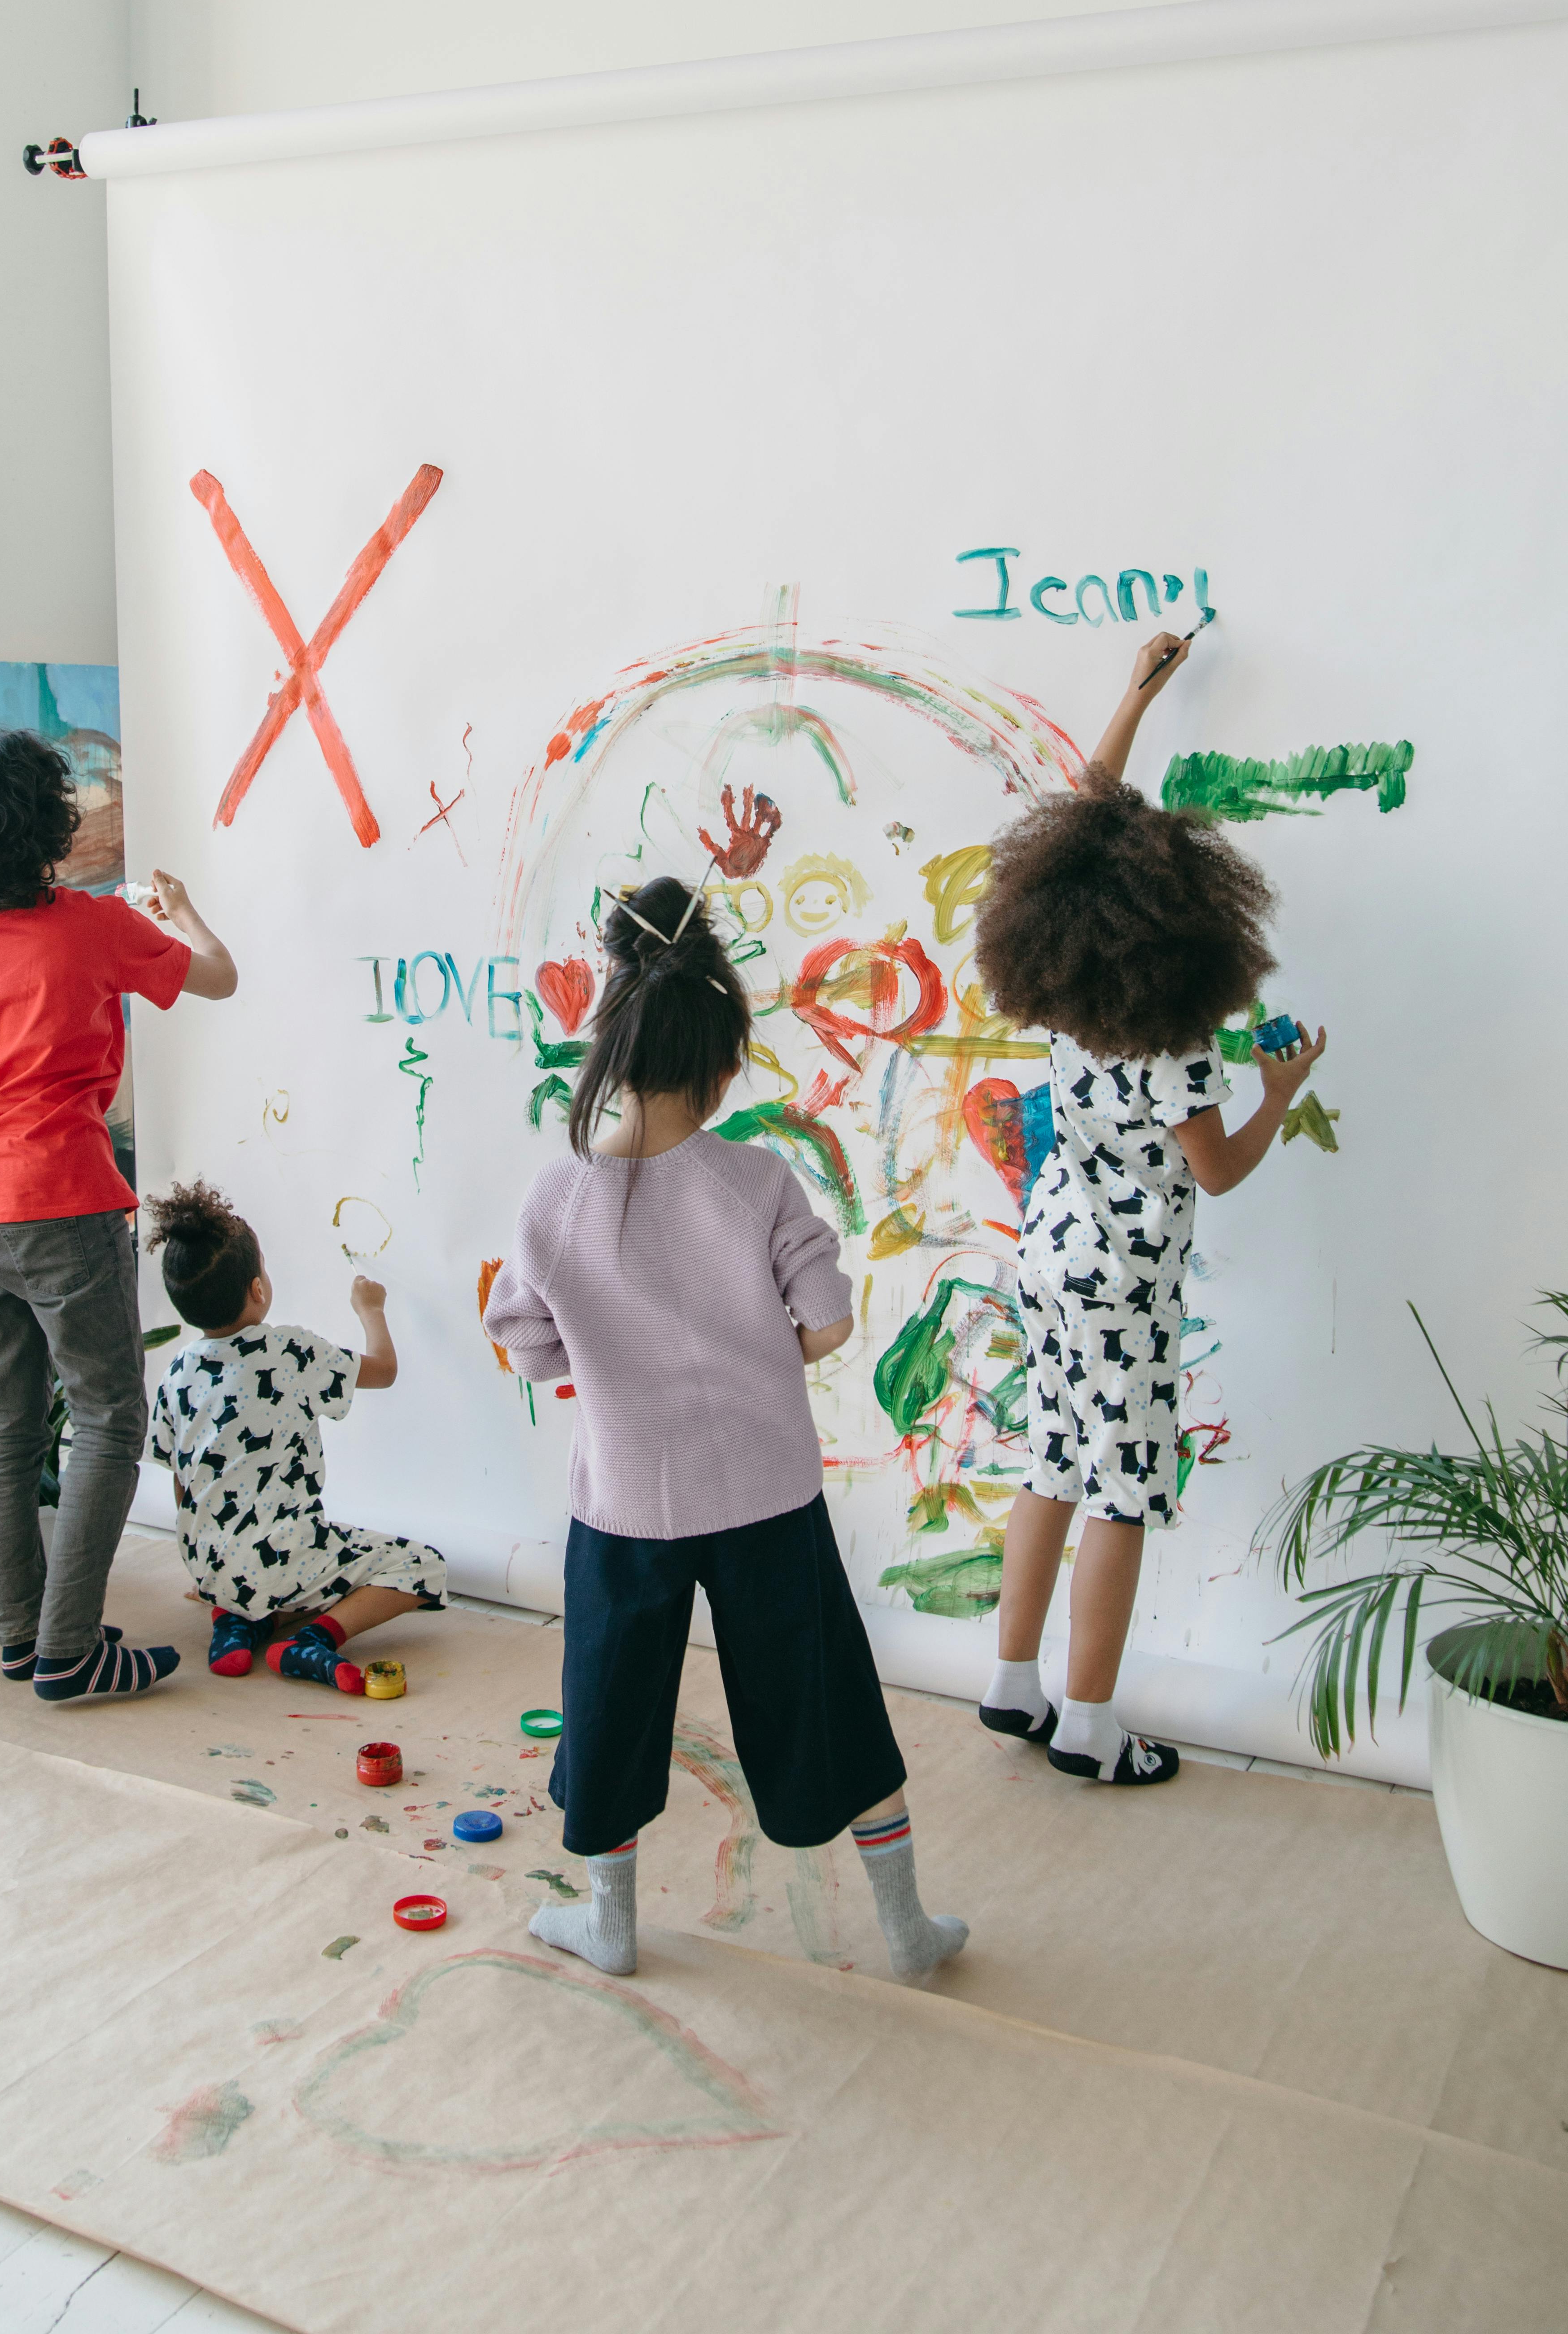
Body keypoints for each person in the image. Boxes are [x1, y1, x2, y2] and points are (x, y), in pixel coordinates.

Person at [481, 873, 967, 1986]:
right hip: (765, 1493)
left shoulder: (554, 1200)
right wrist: (757, 1354)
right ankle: (904, 1931)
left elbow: (530, 1346)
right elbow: (831, 1325)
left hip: (627, 1502)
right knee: (830, 1705)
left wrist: (608, 1362)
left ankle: (608, 1925)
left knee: (607, 1711)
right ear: (718, 1062)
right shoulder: (757, 1181)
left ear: (613, 1045)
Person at [972, 631, 1328, 1787]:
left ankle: (1010, 1685)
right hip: (1125, 1287)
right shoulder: (1175, 1041)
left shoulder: (1065, 990)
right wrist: (1277, 1095)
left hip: (1048, 1256)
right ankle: (1088, 1724)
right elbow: (1215, 1173)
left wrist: (1129, 701)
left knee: (1053, 1464)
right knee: (1119, 1490)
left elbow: (1086, 812)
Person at [0, 728, 236, 1702]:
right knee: (111, 1419)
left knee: (5, 1428)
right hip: (71, 1204)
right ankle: (71, 1651)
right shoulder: (91, 928)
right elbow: (219, 977)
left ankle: (22, 1635)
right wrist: (182, 913)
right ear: (48, 826)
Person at [144, 1181, 446, 1689]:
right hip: (289, 1556)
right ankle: (313, 1640)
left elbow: (182, 1484)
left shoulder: (176, 1371)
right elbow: (384, 1370)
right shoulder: (290, 1353)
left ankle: (235, 1621)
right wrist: (370, 1309)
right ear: (258, 1289)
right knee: (424, 1565)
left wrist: (212, 1563)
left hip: (208, 1564)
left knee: (253, 1563)